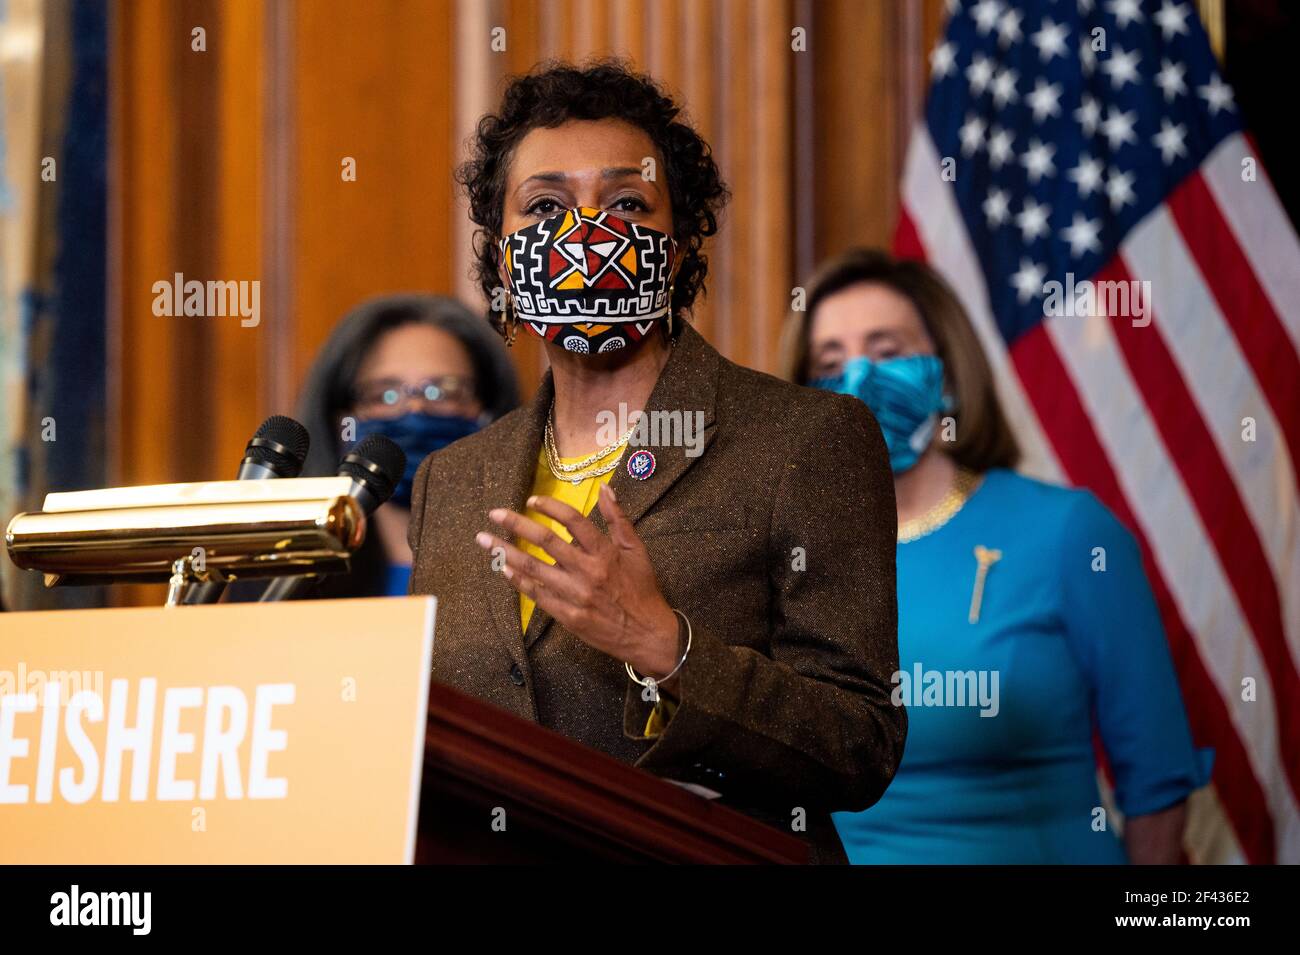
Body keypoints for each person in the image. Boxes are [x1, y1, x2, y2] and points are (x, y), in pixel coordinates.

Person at [406, 61, 906, 863]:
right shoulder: (452, 480)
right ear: (503, 260)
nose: (585, 234)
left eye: (627, 203)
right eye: (545, 207)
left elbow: (860, 744)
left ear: (674, 250)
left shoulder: (806, 439)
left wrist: (666, 644)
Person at [782, 248, 1213, 863]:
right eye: (831, 363)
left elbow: (1157, 782)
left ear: (949, 373)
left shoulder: (1069, 533)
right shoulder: (786, 554)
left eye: (886, 353)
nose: (859, 382)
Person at [293, 293, 518, 598]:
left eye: (443, 392)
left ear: (489, 412)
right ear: (340, 419)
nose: (415, 410)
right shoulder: (289, 577)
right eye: (385, 394)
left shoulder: (526, 566)